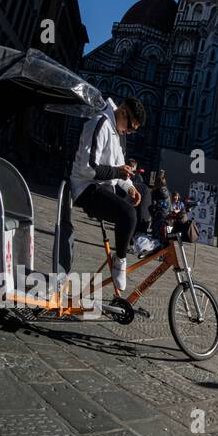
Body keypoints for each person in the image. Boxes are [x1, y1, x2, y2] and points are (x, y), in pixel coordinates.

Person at [68, 96, 153, 294]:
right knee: (128, 213)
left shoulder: (117, 132)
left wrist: (130, 187)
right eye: (130, 127)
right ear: (123, 112)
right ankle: (120, 260)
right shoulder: (100, 123)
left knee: (144, 192)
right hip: (86, 188)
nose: (130, 132)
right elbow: (89, 168)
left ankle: (139, 238)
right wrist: (118, 173)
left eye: (133, 130)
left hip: (106, 187)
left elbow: (119, 168)